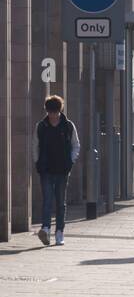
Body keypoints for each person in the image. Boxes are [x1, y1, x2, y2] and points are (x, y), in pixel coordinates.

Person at [32, 95, 81, 247]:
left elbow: (75, 145)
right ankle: (45, 229)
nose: (52, 116)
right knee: (47, 200)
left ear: (60, 110)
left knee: (60, 202)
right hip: (46, 169)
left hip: (62, 169)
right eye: (50, 112)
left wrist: (70, 161)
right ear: (46, 111)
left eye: (55, 112)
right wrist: (37, 161)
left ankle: (59, 232)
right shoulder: (41, 126)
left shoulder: (68, 126)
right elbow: (35, 145)